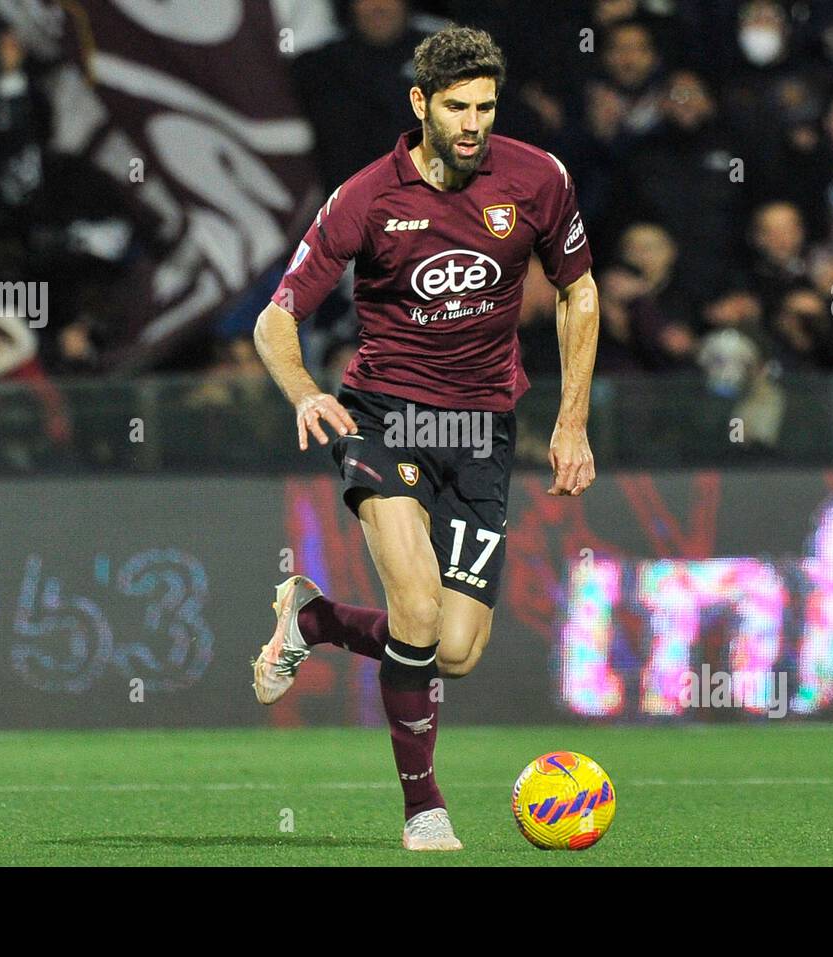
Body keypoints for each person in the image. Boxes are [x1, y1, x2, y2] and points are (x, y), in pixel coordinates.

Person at [249, 26, 598, 851]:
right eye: (457, 106)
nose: (474, 122)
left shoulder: (538, 178)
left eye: (485, 105)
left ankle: (317, 620)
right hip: (384, 416)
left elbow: (579, 292)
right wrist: (303, 390)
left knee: (453, 646)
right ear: (421, 105)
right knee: (413, 605)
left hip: (482, 428)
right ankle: (423, 808)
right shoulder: (368, 196)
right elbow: (275, 318)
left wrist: (573, 418)